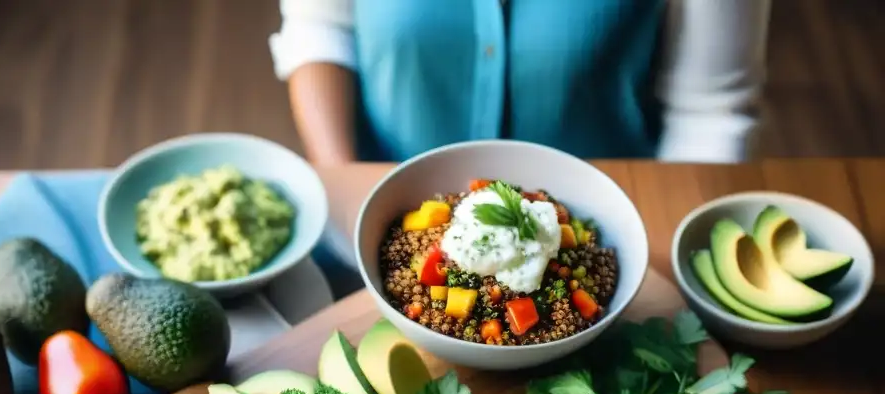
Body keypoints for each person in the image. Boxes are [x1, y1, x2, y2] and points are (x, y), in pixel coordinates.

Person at [269, 0, 772, 165]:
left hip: (610, 240)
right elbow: (321, 28)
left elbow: (711, 112)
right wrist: (344, 186)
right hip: (377, 214)